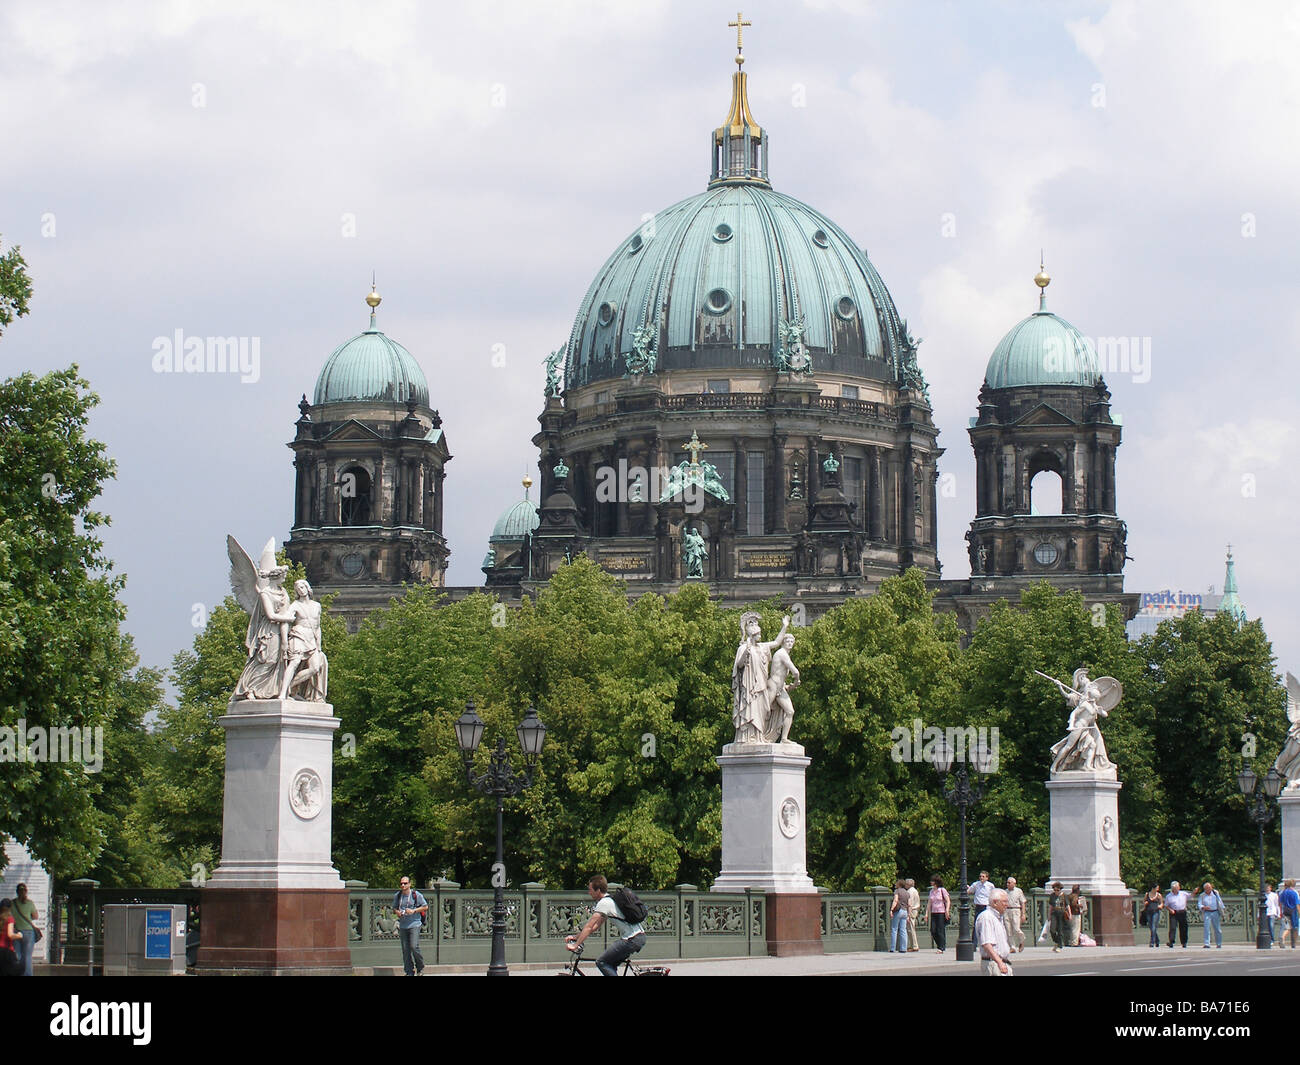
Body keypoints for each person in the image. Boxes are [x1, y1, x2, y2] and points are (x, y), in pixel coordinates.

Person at [566, 875, 646, 976]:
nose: (589, 892)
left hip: (632, 939)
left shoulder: (604, 903)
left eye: (590, 890)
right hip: (639, 937)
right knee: (610, 964)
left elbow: (589, 926)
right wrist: (576, 937)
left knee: (602, 962)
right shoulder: (610, 900)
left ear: (598, 890)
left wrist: (575, 945)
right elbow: (595, 927)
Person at [762, 633, 801, 744]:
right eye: (787, 641)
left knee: (790, 711)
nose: (789, 643)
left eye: (791, 641)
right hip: (773, 686)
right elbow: (795, 671)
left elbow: (782, 676)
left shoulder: (786, 654)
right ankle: (757, 734)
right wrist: (796, 680)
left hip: (780, 688)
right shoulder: (782, 653)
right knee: (765, 710)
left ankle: (784, 738)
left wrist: (790, 686)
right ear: (783, 642)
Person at [393, 876, 427, 976]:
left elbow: (425, 906)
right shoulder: (398, 895)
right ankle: (409, 971)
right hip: (403, 925)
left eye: (405, 883)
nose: (403, 885)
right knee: (405, 949)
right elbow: (394, 908)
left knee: (414, 946)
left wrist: (413, 911)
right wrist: (397, 912)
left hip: (414, 924)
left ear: (409, 884)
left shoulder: (416, 895)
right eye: (401, 884)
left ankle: (420, 967)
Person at [975, 888, 1014, 976]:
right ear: (995, 902)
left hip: (1001, 963)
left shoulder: (998, 917)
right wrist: (999, 962)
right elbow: (987, 944)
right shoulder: (986, 917)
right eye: (1004, 901)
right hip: (994, 963)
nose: (1006, 905)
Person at [10, 884, 37, 976]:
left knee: (17, 955)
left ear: (17, 892)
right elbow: (35, 916)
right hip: (29, 932)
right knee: (28, 956)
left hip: (16, 931)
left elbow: (9, 916)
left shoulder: (12, 903)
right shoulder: (30, 903)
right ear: (26, 891)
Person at [927, 875, 951, 954]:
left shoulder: (942, 890)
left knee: (940, 930)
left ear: (936, 882)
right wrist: (926, 914)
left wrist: (947, 910)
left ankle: (941, 947)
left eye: (932, 881)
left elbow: (947, 901)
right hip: (934, 912)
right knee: (933, 930)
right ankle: (939, 944)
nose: (931, 882)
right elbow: (929, 903)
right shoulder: (931, 891)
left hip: (941, 912)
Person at [1197, 882, 1224, 948]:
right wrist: (1203, 907)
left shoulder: (1215, 893)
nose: (1209, 889)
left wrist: (1222, 909)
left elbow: (1219, 901)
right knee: (1207, 928)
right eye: (1207, 888)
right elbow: (1199, 904)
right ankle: (1207, 943)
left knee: (1217, 928)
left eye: (1210, 888)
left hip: (1215, 912)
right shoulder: (1202, 895)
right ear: (1205, 889)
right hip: (1207, 912)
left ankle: (1219, 943)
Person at [1003, 877, 1026, 953]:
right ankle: (1012, 946)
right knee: (1008, 930)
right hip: (1006, 910)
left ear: (1014, 883)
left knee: (1016, 929)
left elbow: (1023, 902)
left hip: (1016, 910)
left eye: (1009, 883)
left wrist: (1023, 914)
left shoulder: (1018, 891)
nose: (1007, 884)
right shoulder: (1005, 892)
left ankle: (1022, 940)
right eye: (1007, 882)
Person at [1165, 881, 1190, 948]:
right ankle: (1171, 941)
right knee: (1173, 927)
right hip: (1174, 912)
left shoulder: (1183, 894)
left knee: (1183, 927)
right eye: (1174, 888)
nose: (1176, 889)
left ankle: (1184, 942)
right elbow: (1166, 905)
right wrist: (1170, 910)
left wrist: (1194, 892)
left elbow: (1191, 896)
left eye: (1177, 887)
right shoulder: (1169, 896)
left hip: (1182, 912)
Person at [1048, 882, 1071, 952]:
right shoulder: (1052, 896)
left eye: (1057, 890)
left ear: (1060, 890)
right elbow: (1051, 906)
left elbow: (1067, 906)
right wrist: (1049, 915)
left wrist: (1070, 914)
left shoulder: (1064, 896)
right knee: (1052, 930)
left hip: (1062, 914)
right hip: (1054, 914)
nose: (1056, 892)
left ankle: (1059, 946)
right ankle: (1057, 942)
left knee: (1060, 930)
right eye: (1054, 890)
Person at [0, 900, 21, 977]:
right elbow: (10, 934)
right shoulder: (10, 918)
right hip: (7, 950)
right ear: (10, 908)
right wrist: (19, 935)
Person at [889, 879, 909, 953]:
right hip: (905, 911)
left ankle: (892, 948)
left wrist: (891, 909)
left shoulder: (897, 891)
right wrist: (909, 915)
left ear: (899, 884)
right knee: (903, 930)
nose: (895, 884)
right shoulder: (907, 893)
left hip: (898, 911)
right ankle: (903, 948)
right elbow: (909, 904)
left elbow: (895, 900)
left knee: (894, 929)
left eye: (896, 883)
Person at [1279, 879, 1300, 949]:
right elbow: (1297, 904)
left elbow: (1280, 903)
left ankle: (1282, 937)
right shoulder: (1294, 893)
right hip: (1293, 911)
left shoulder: (1283, 893)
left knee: (1287, 927)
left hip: (1285, 911)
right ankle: (1293, 944)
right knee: (1295, 927)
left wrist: (1280, 912)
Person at [905, 878, 921, 952]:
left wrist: (908, 913)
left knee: (910, 928)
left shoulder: (910, 891)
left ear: (908, 884)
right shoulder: (915, 890)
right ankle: (912, 945)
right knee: (911, 928)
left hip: (911, 910)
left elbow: (910, 903)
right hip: (915, 909)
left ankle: (914, 946)